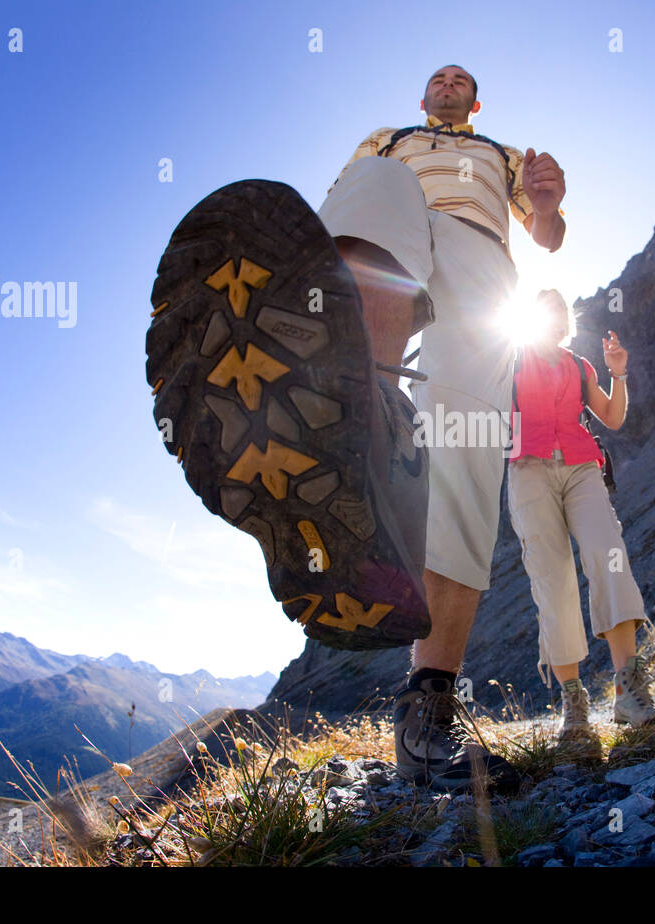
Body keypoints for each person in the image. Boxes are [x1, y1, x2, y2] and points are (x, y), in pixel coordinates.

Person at [145, 65, 566, 793]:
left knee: (466, 458)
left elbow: (548, 238)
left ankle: (427, 715)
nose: (448, 84)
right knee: (378, 185)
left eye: (461, 80)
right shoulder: (391, 140)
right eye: (438, 78)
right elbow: (336, 213)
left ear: (475, 100)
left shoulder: (505, 157)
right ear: (423, 95)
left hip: (483, 259)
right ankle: (353, 401)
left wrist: (550, 203)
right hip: (397, 224)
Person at [506, 290, 655, 751]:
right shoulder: (508, 361)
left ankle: (629, 691)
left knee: (607, 553)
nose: (554, 319)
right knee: (552, 579)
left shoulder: (580, 366)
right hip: (527, 471)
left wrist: (618, 372)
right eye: (545, 311)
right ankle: (574, 708)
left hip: (581, 466)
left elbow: (612, 417)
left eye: (560, 313)